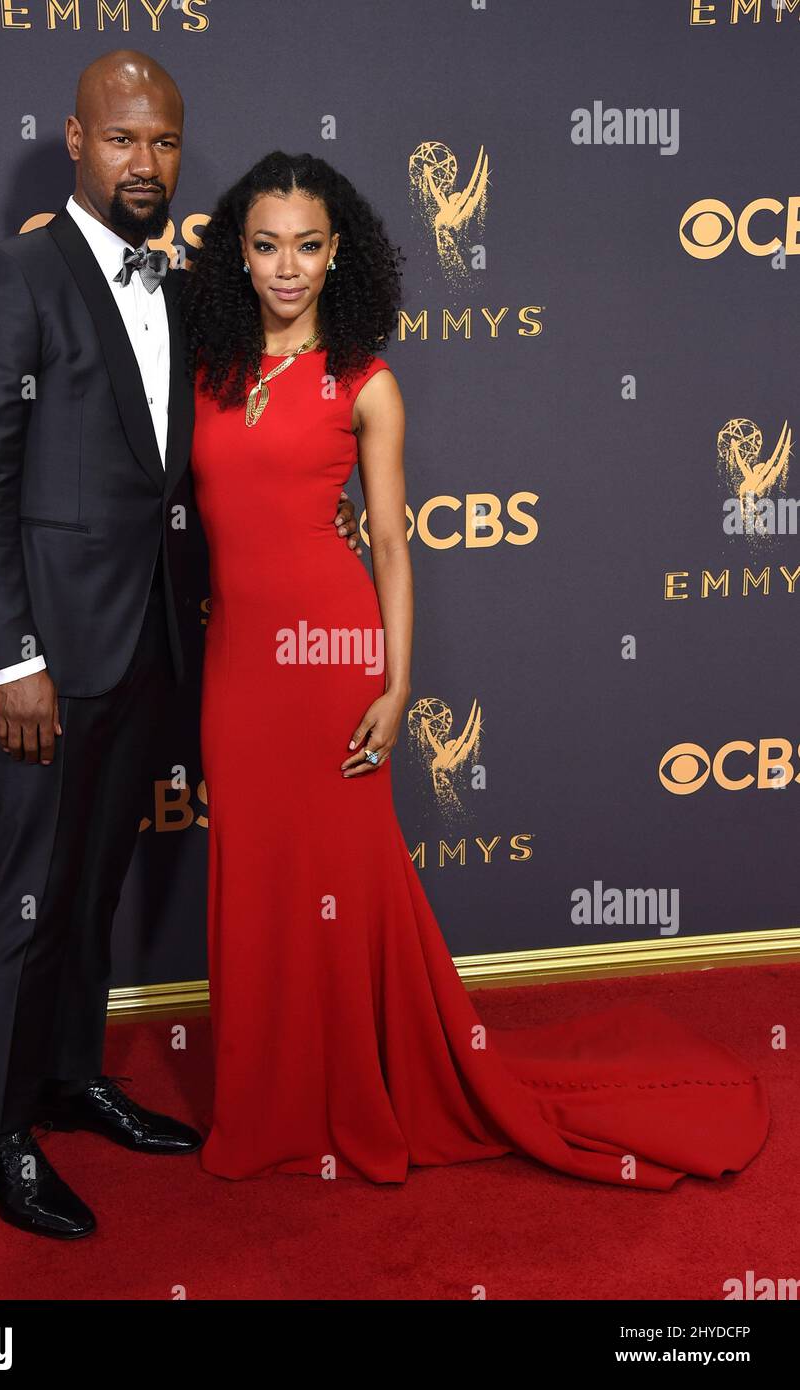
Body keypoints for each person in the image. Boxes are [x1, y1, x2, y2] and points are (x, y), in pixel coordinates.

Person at [183, 150, 771, 1189]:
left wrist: (398, 686)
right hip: (236, 667)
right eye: (267, 244)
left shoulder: (365, 381)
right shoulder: (208, 370)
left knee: (343, 881)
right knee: (256, 882)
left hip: (333, 659)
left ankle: (364, 1089)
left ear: (337, 254)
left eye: (308, 246)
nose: (287, 266)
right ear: (239, 250)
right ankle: (267, 1102)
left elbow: (394, 545)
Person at [0, 53, 363, 1240]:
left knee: (94, 888)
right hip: (42, 659)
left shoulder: (186, 296)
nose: (145, 163)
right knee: (30, 891)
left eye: (165, 143)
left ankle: (70, 1082)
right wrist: (9, 657)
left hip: (149, 646)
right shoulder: (8, 276)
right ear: (76, 140)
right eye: (123, 140)